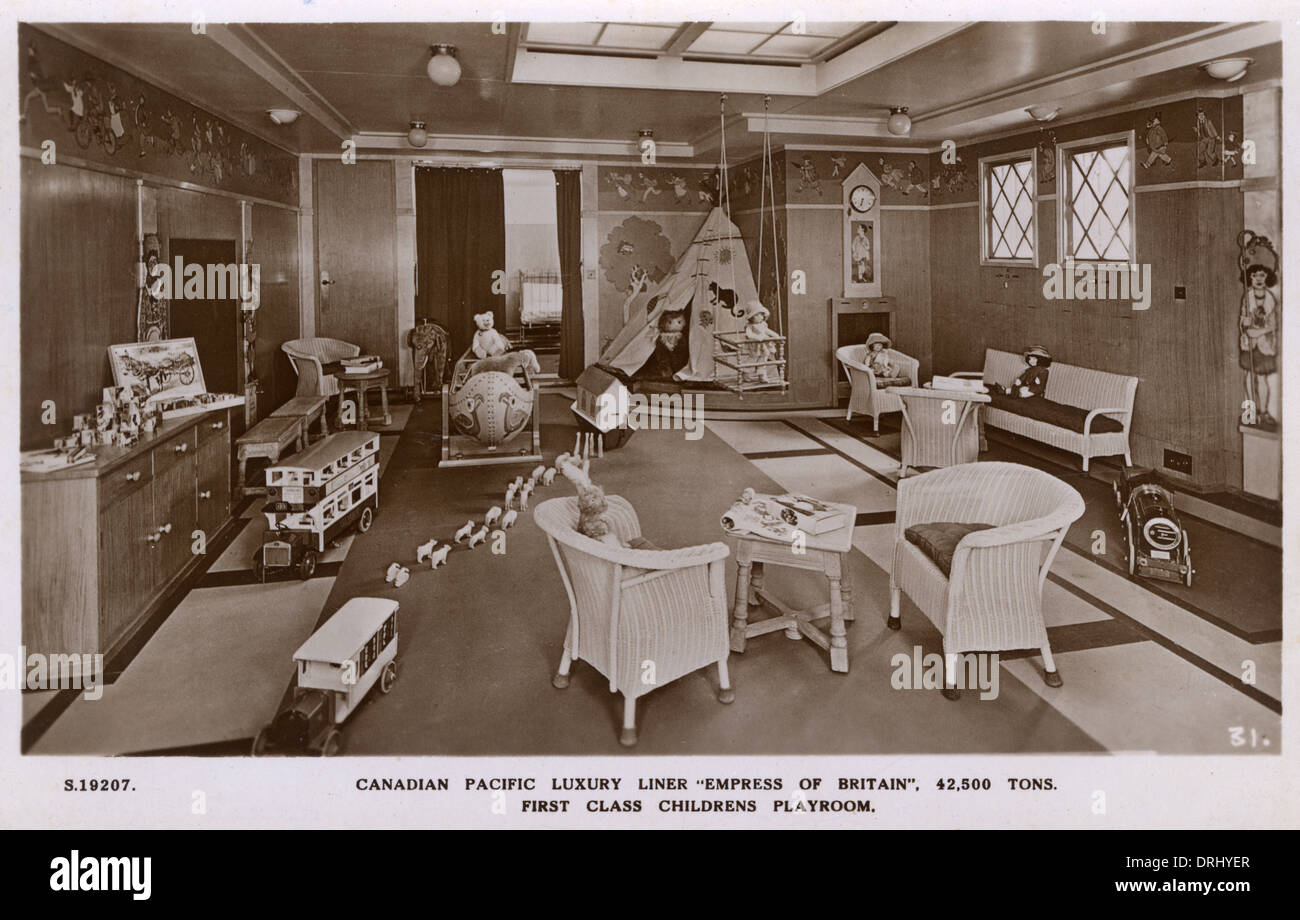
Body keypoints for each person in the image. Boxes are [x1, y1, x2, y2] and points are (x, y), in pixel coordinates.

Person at [1239, 262, 1279, 428]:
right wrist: (1245, 323)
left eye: (1262, 275)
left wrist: (1259, 332)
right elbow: (1243, 321)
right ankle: (1251, 410)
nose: (1258, 279)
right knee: (1250, 375)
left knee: (1262, 378)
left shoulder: (1270, 299)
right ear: (1250, 277)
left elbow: (1273, 325)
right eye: (1255, 276)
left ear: (1267, 277)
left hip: (1264, 345)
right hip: (1250, 344)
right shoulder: (1247, 298)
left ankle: (1264, 411)